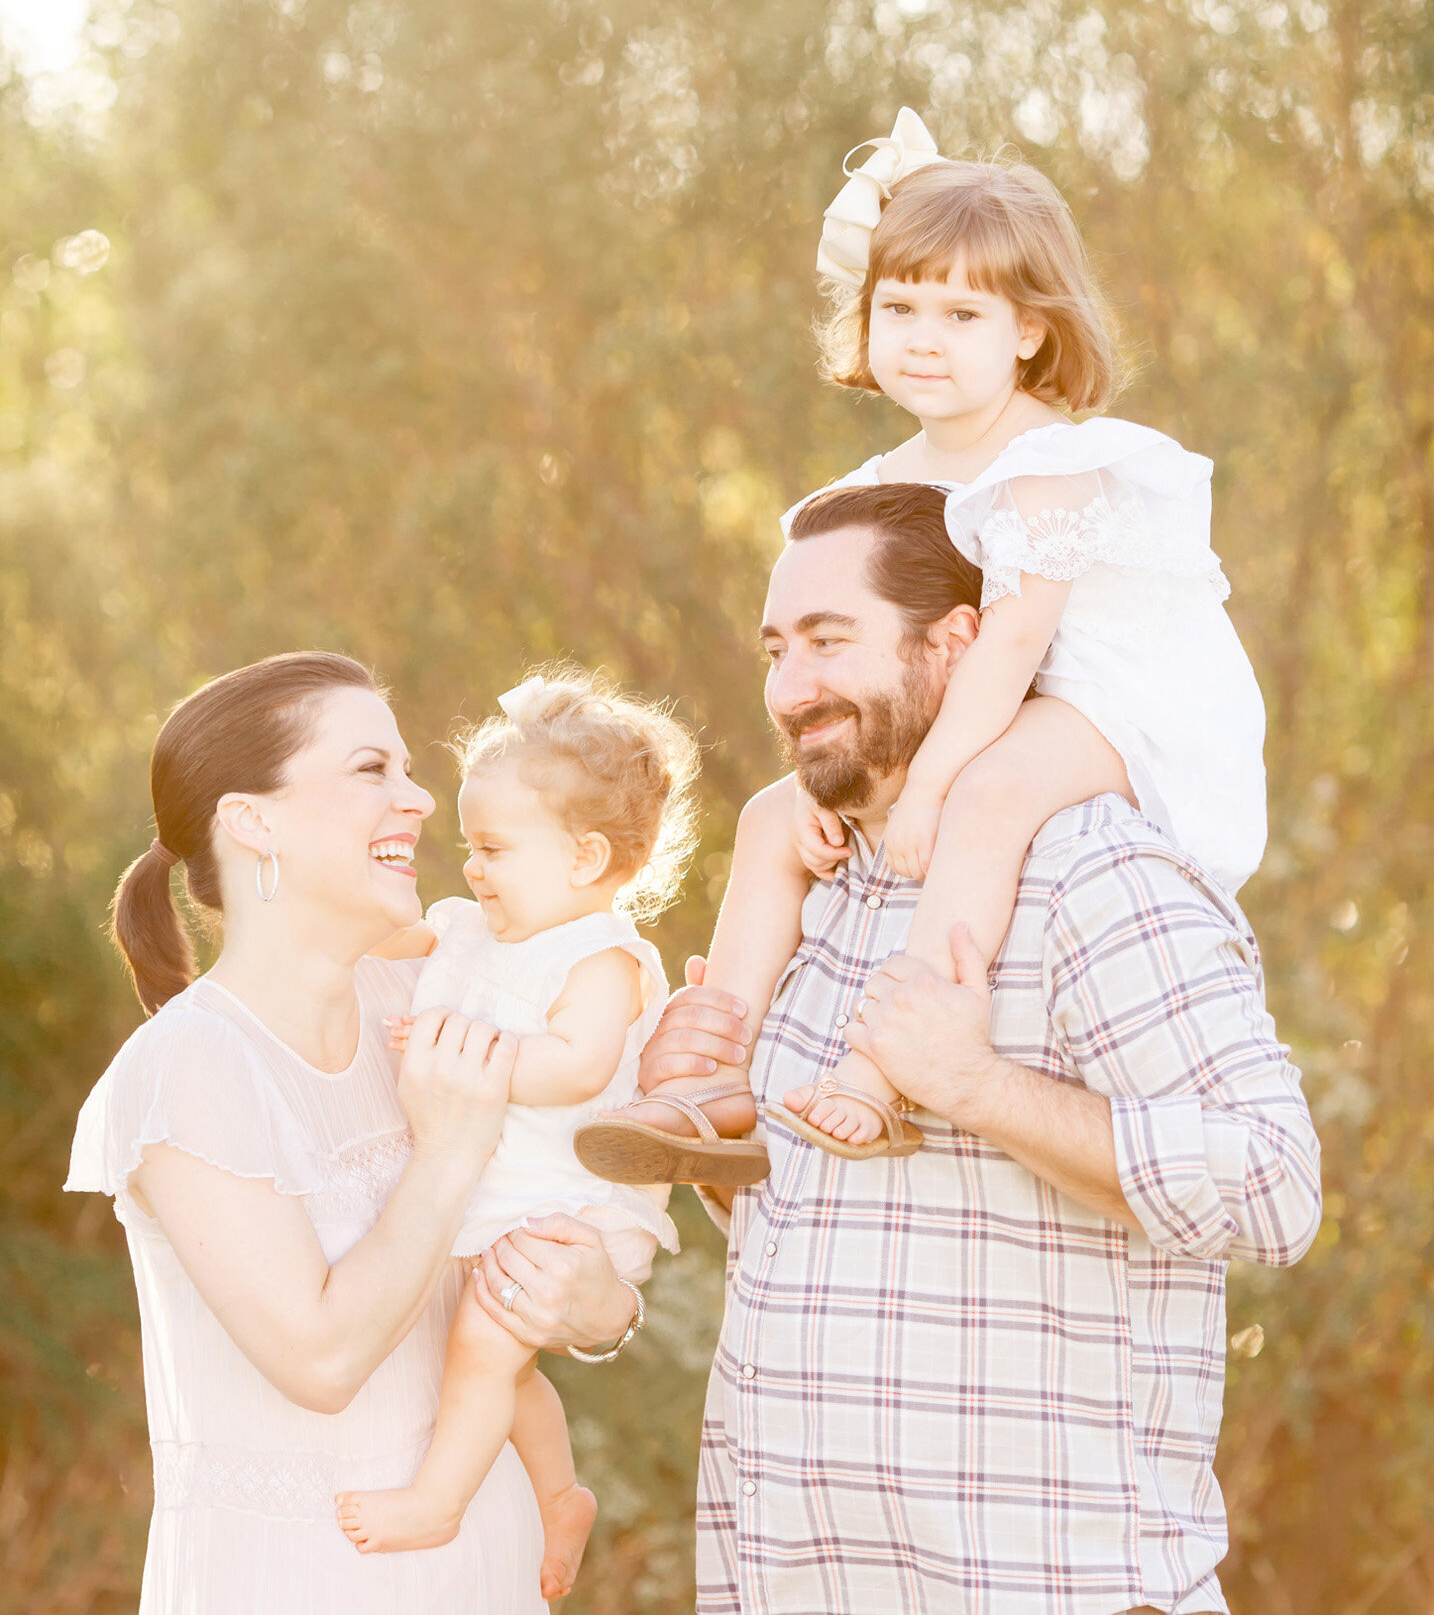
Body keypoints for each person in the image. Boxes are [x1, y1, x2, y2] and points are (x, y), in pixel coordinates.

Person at [639, 484, 1321, 1614]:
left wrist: (979, 1087)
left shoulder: (1095, 872)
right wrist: (710, 1111)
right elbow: (808, 1226)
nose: (789, 687)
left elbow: (1275, 1184)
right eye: (775, 649)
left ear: (955, 642)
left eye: (827, 641)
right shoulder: (817, 891)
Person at [581, 107, 1266, 1173]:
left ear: (1030, 330)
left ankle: (879, 1070)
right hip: (1001, 698)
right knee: (773, 814)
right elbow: (867, 658)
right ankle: (717, 1070)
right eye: (899, 307)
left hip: (1116, 697)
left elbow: (1010, 644)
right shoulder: (878, 483)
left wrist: (935, 783)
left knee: (987, 802)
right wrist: (824, 787)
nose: (924, 338)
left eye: (961, 313)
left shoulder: (1053, 461)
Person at [65, 651, 641, 1615]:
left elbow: (562, 1199)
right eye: (373, 770)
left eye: (410, 771)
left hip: (483, 1559)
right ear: (251, 821)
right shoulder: (184, 1071)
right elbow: (322, 1362)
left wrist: (601, 1310)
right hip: (306, 1581)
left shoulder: (434, 998)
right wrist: (451, 1147)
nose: (418, 801)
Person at [335, 670, 695, 1588]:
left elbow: (576, 1065)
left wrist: (463, 1049)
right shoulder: (469, 930)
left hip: (569, 1198)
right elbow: (382, 938)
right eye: (470, 846)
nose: (473, 868)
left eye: (495, 848)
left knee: (483, 1349)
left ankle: (437, 1504)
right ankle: (559, 1495)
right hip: (504, 1193)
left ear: (583, 859)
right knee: (501, 1362)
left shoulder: (600, 955)